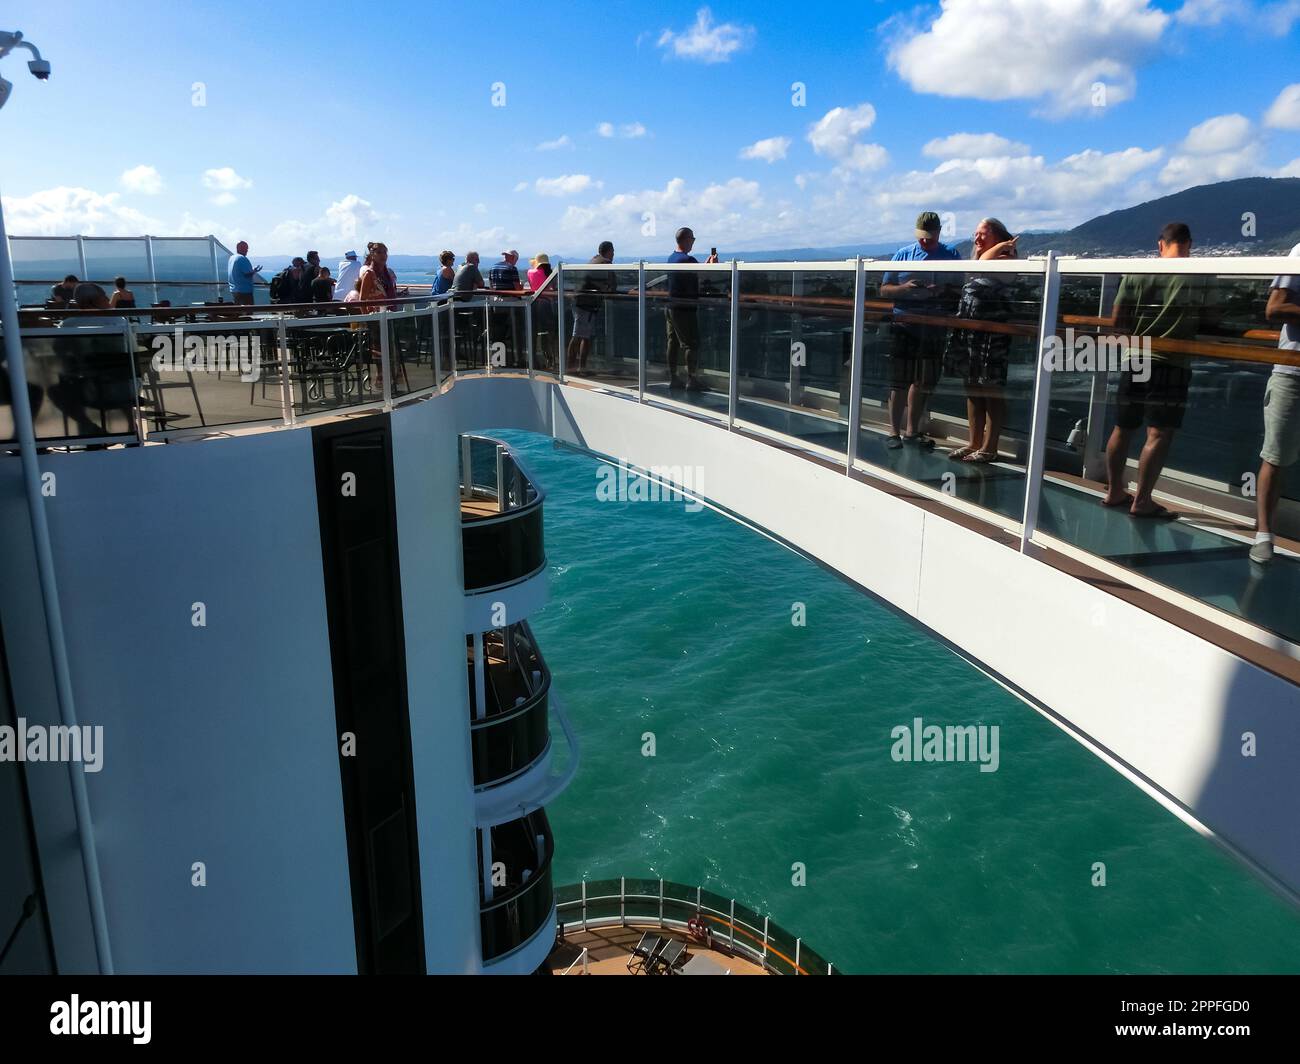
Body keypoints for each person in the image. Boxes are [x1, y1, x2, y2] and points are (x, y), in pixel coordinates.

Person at [1102, 222, 1215, 519]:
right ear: (1189, 244)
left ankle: (1114, 491)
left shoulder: (1137, 270)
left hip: (1135, 357)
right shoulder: (1200, 274)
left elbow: (1118, 321)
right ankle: (1142, 500)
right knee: (1159, 433)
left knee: (1123, 427)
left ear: (1160, 245)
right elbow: (1211, 319)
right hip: (1172, 361)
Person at [879, 211, 962, 449]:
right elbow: (885, 290)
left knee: (924, 381)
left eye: (929, 236)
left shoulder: (952, 255)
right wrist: (905, 288)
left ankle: (912, 431)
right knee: (900, 380)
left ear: (938, 232)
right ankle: (894, 431)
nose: (925, 241)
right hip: (905, 324)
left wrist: (942, 290)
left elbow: (960, 290)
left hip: (935, 326)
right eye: (922, 236)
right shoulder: (903, 254)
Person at [944, 218, 1018, 463]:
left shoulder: (1006, 260)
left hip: (992, 335)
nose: (977, 238)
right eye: (975, 233)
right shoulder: (983, 258)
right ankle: (973, 442)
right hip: (970, 331)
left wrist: (1000, 247)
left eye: (982, 234)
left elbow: (980, 267)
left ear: (998, 236)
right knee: (973, 388)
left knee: (991, 389)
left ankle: (990, 447)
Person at [1251, 240, 1300, 563]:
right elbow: (1274, 308)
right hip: (1292, 371)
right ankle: (1264, 534)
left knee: (1276, 455)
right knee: (1275, 454)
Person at [665, 228, 718, 391]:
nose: (693, 242)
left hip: (670, 306)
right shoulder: (687, 260)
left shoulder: (671, 258)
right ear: (686, 240)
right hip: (684, 308)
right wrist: (711, 267)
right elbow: (704, 276)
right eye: (692, 239)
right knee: (691, 344)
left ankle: (674, 377)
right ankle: (691, 379)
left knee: (672, 342)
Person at [569, 241, 615, 376]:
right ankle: (572, 369)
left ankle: (577, 368)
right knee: (579, 335)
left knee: (584, 336)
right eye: (612, 251)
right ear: (609, 251)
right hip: (585, 304)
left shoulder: (593, 260)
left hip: (580, 301)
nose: (613, 255)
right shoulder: (605, 263)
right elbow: (612, 285)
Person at [227, 241, 259, 306]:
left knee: (239, 312)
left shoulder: (232, 258)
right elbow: (247, 274)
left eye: (247, 248)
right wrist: (254, 271)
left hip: (234, 290)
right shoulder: (242, 258)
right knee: (247, 312)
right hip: (244, 291)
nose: (247, 250)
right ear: (239, 248)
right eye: (245, 248)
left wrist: (252, 270)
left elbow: (239, 271)